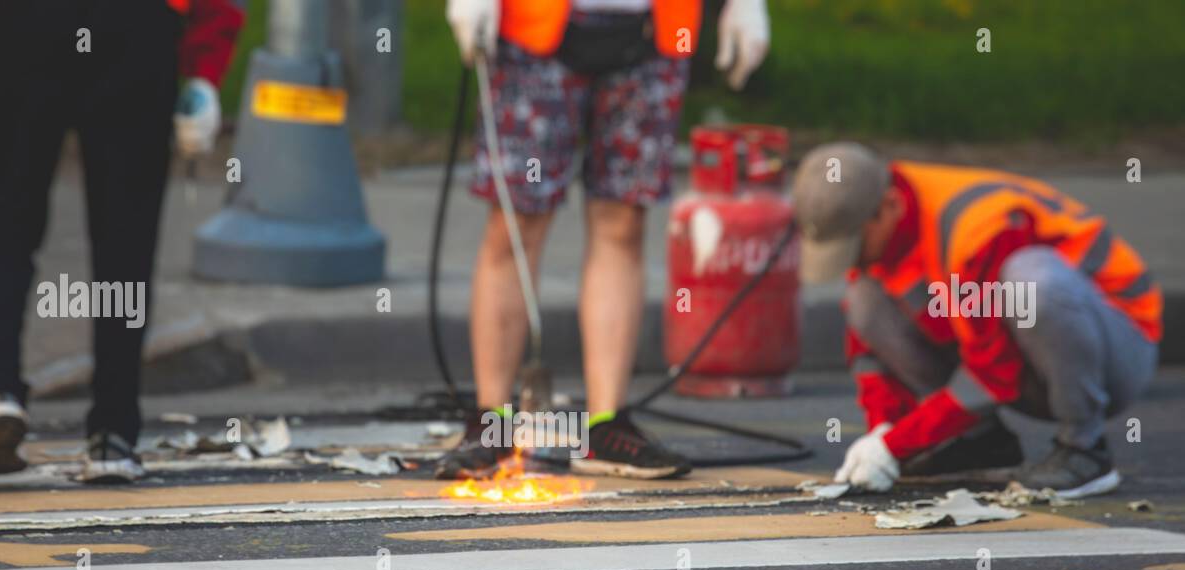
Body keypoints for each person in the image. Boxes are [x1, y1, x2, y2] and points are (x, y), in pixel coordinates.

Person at [0, 0, 243, 482]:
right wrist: (205, 66)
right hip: (134, 27)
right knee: (126, 237)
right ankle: (113, 432)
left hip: (15, 26)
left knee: (4, 220)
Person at [438, 0, 770, 479]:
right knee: (517, 222)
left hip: (653, 33)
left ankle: (605, 426)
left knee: (624, 220)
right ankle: (492, 421)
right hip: (534, 32)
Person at [792, 143, 1160, 499]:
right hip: (1026, 352)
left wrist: (897, 443)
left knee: (1032, 282)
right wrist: (883, 429)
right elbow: (867, 342)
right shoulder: (882, 210)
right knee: (864, 299)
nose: (853, 262)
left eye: (855, 247)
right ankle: (980, 442)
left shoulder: (978, 228)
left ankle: (1085, 447)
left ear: (889, 206)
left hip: (1119, 349)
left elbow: (997, 372)